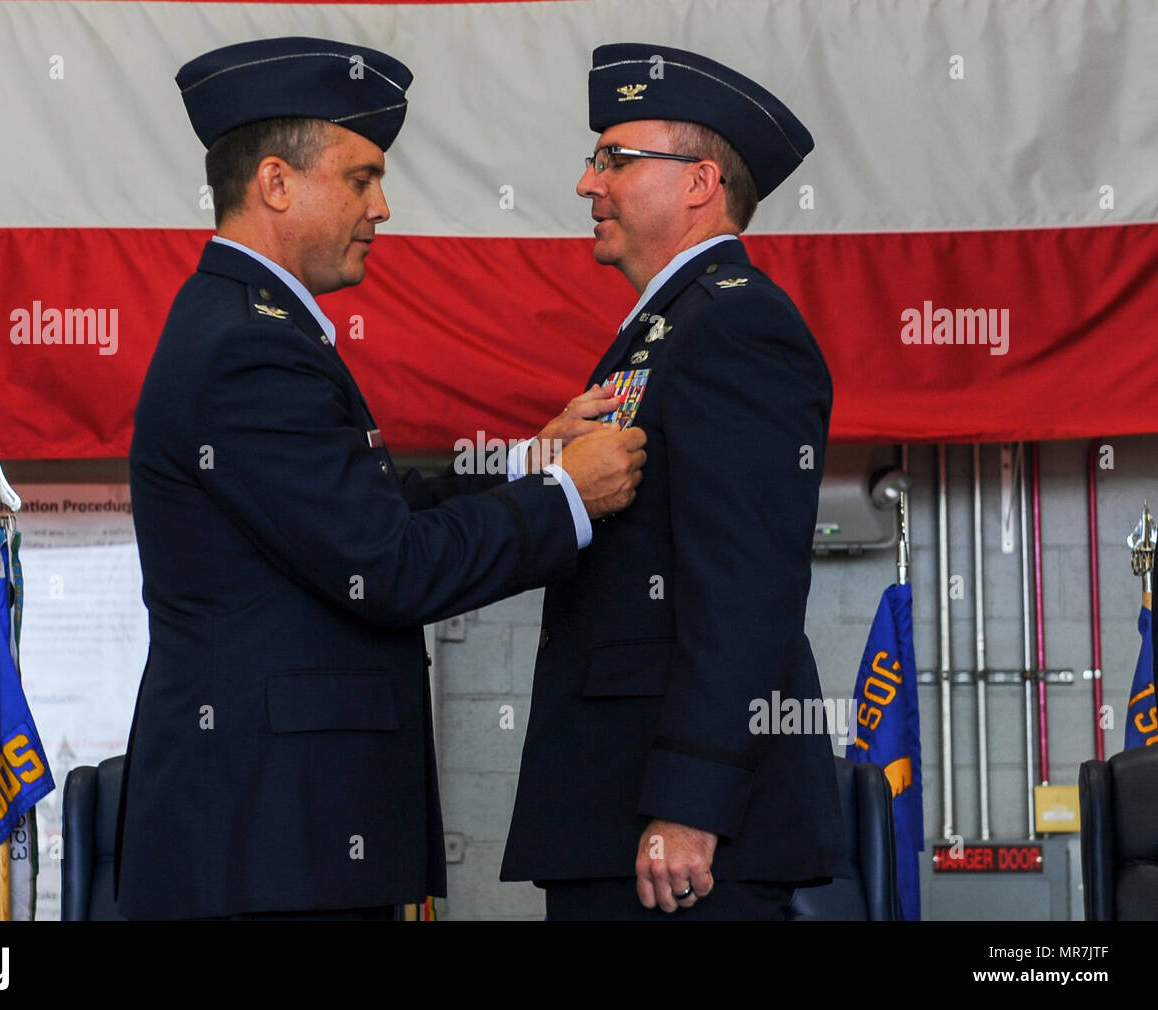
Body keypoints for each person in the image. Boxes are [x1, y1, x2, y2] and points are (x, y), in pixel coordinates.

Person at [114, 36, 646, 921]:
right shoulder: (249, 347)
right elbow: (387, 562)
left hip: (282, 837)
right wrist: (566, 499)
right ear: (277, 183)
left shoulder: (253, 325)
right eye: (361, 178)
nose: (384, 207)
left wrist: (528, 464)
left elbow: (371, 505)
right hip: (270, 845)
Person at [500, 43, 849, 920]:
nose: (589, 183)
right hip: (617, 809)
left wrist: (692, 803)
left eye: (615, 158)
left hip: (682, 838)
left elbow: (748, 585)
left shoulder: (736, 326)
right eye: (594, 159)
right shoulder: (672, 326)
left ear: (699, 183)